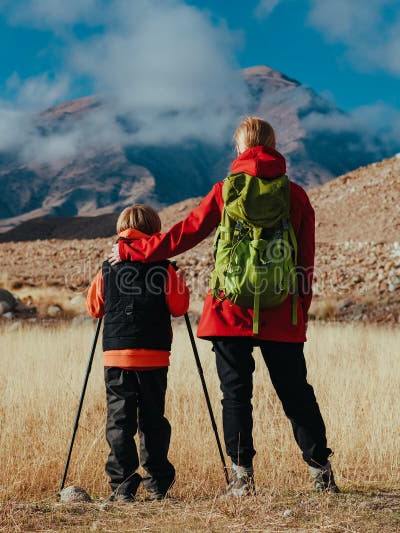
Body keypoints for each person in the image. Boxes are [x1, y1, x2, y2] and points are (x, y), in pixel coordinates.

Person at [108, 117, 337, 495]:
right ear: (274, 146)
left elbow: (185, 234)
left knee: (235, 395)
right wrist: (300, 311)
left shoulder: (226, 191)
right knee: (296, 392)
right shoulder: (296, 195)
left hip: (229, 311)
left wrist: (136, 249)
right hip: (282, 313)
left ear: (240, 149)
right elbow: (305, 262)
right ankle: (321, 475)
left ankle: (242, 480)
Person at [87, 204, 190, 502]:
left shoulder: (108, 266)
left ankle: (122, 487)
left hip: (117, 357)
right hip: (154, 357)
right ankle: (158, 485)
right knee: (153, 420)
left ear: (121, 230)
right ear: (155, 231)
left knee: (119, 421)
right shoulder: (166, 267)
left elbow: (95, 308)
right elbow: (180, 307)